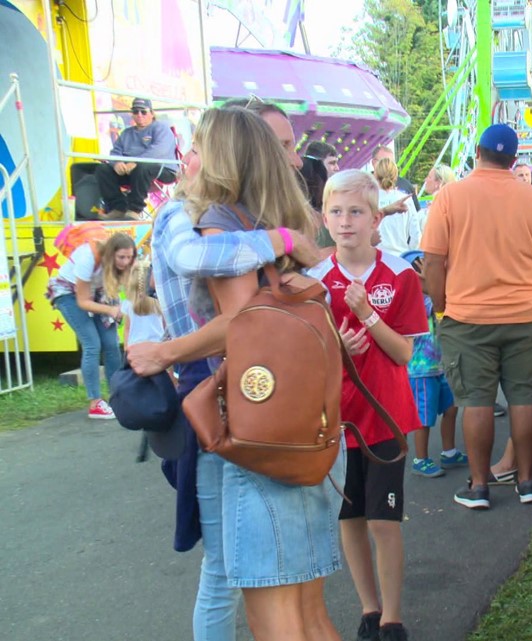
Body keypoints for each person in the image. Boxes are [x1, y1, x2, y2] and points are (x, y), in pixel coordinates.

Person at [127, 107, 343, 641]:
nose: (189, 157)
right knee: (310, 612)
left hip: (258, 431)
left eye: (198, 146)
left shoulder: (221, 224)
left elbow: (243, 322)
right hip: (311, 426)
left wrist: (165, 352)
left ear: (220, 155)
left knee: (273, 614)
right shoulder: (281, 222)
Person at [420, 124, 532, 510]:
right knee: (525, 397)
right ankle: (527, 481)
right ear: (513, 160)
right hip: (526, 314)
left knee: (476, 401)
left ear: (478, 153)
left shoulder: (450, 195)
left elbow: (432, 260)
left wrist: (441, 306)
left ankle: (479, 485)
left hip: (467, 316)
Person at [307, 169, 426, 641]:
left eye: (356, 212)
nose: (345, 221)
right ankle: (369, 609)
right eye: (336, 212)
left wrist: (367, 315)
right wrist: (338, 347)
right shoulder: (315, 281)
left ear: (376, 219)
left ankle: (393, 617)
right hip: (337, 420)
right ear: (324, 218)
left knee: (384, 520)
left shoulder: (399, 274)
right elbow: (308, 354)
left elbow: (404, 353)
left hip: (385, 418)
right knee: (351, 519)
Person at [48, 232, 136, 419]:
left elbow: (130, 289)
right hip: (69, 294)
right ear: (110, 254)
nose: (126, 262)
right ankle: (95, 403)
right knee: (92, 344)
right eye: (121, 257)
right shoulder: (88, 258)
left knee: (111, 344)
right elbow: (83, 302)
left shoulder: (126, 264)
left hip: (99, 291)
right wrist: (111, 310)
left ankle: (117, 396)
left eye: (129, 257)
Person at [400, 251, 467, 478]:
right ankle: (420, 459)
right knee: (424, 417)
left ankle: (449, 452)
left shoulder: (434, 296)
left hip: (443, 365)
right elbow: (437, 307)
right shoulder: (414, 302)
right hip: (421, 370)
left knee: (451, 408)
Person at [95, 98, 178, 219]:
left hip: (162, 169)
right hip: (131, 171)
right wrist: (117, 163)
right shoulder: (126, 133)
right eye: (135, 111)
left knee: (143, 167)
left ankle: (134, 210)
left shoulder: (161, 128)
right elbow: (115, 151)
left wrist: (136, 162)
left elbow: (159, 150)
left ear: (152, 113)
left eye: (143, 111)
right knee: (102, 169)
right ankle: (118, 208)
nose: (139, 115)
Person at [374, 156, 422, 257]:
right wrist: (409, 254)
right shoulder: (406, 199)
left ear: (375, 174)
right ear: (395, 176)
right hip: (400, 256)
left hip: (375, 258)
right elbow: (416, 235)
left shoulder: (369, 200)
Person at [121, 262, 164, 349]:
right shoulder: (159, 303)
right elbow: (165, 326)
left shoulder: (128, 304)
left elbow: (127, 329)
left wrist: (126, 348)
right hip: (157, 346)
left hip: (135, 348)